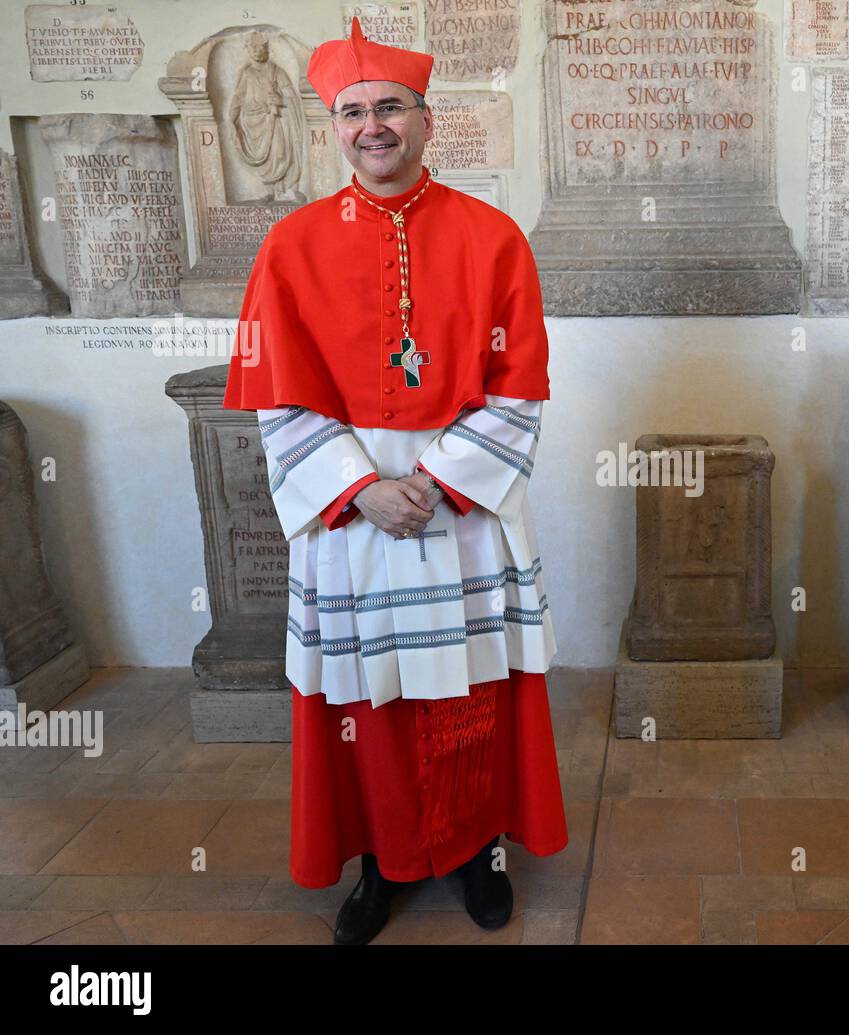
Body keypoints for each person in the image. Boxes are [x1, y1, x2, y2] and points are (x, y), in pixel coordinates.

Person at [223, 18, 568, 945]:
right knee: (366, 700)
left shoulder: (495, 239)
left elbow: (521, 387)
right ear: (332, 128)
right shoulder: (289, 248)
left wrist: (443, 481)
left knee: (470, 692)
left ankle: (474, 852)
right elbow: (274, 396)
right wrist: (358, 487)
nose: (372, 125)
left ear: (426, 119)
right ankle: (381, 864)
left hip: (463, 510)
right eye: (352, 112)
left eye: (390, 108)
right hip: (353, 512)